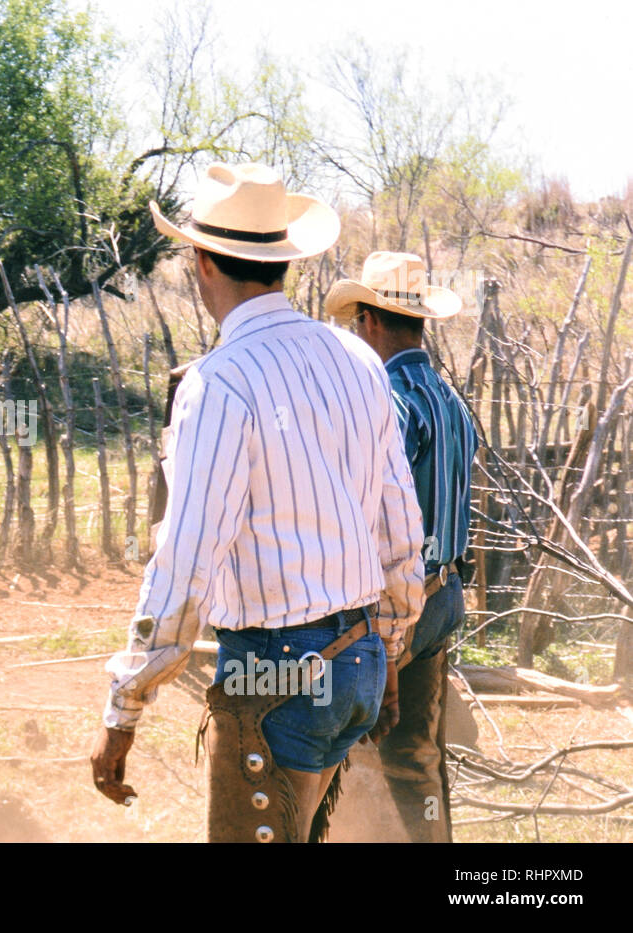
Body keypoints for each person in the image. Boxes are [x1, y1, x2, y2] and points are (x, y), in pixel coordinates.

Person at [90, 162, 426, 843]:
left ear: (201, 261)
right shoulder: (356, 360)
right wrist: (388, 647)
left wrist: (124, 706)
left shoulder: (219, 383)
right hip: (353, 653)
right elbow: (399, 523)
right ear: (282, 263)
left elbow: (184, 562)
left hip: (277, 672)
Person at [326, 252, 479, 842]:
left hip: (395, 605)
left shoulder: (388, 402)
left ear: (367, 320)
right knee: (417, 757)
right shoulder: (450, 403)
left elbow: (373, 521)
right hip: (442, 596)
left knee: (328, 739)